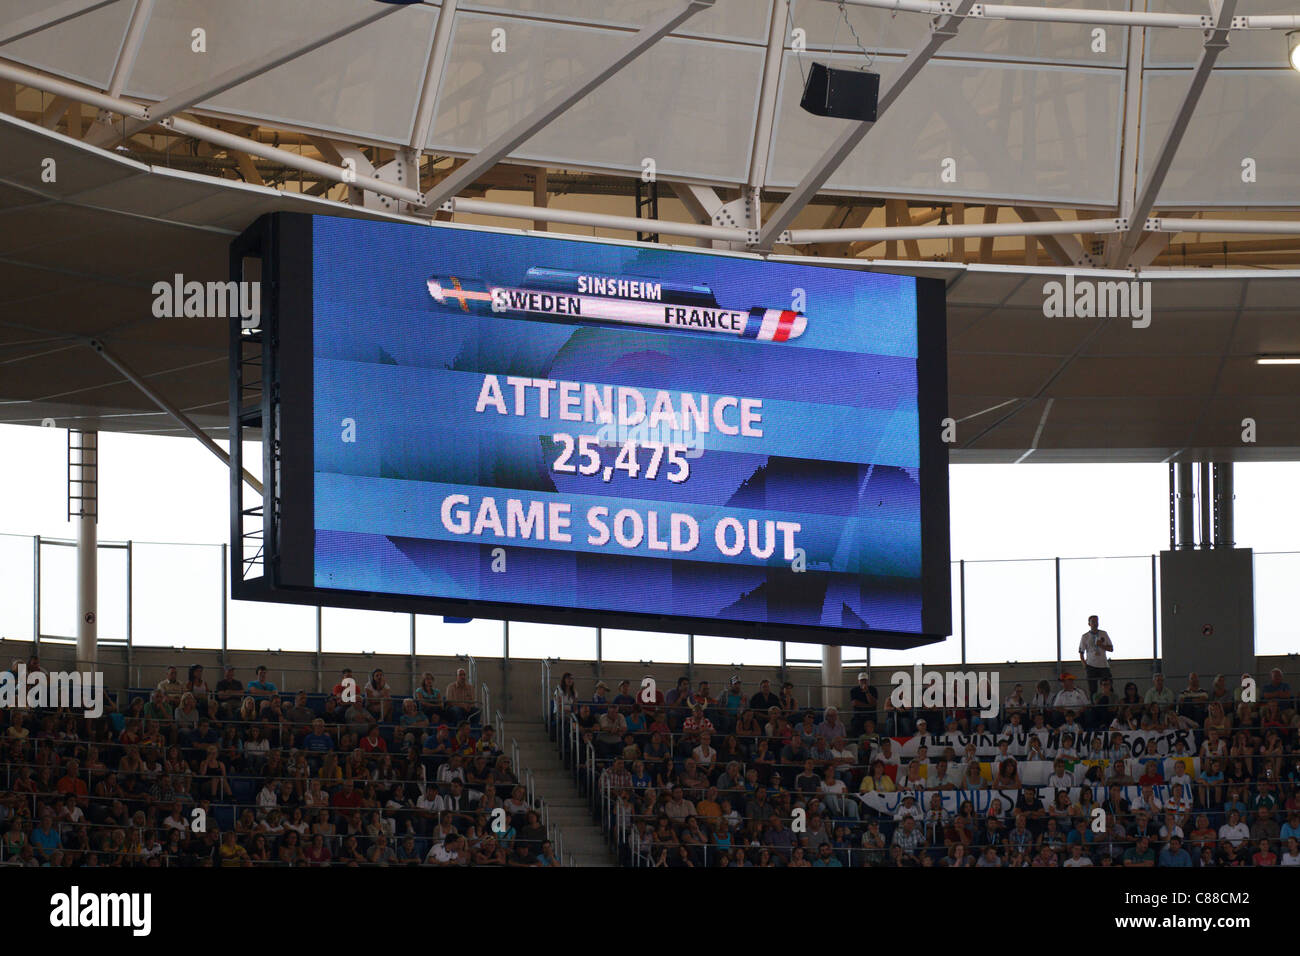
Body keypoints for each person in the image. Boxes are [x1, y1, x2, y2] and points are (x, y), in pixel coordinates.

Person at [1078, 615, 1113, 697]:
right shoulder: (1085, 636)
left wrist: (1102, 646)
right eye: (1093, 621)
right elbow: (1081, 652)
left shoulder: (1103, 634)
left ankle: (1109, 706)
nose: (1095, 623)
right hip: (1091, 666)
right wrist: (1085, 666)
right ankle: (1095, 707)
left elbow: (1111, 648)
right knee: (1093, 689)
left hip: (1103, 665)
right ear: (1089, 624)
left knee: (1109, 687)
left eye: (1096, 621)